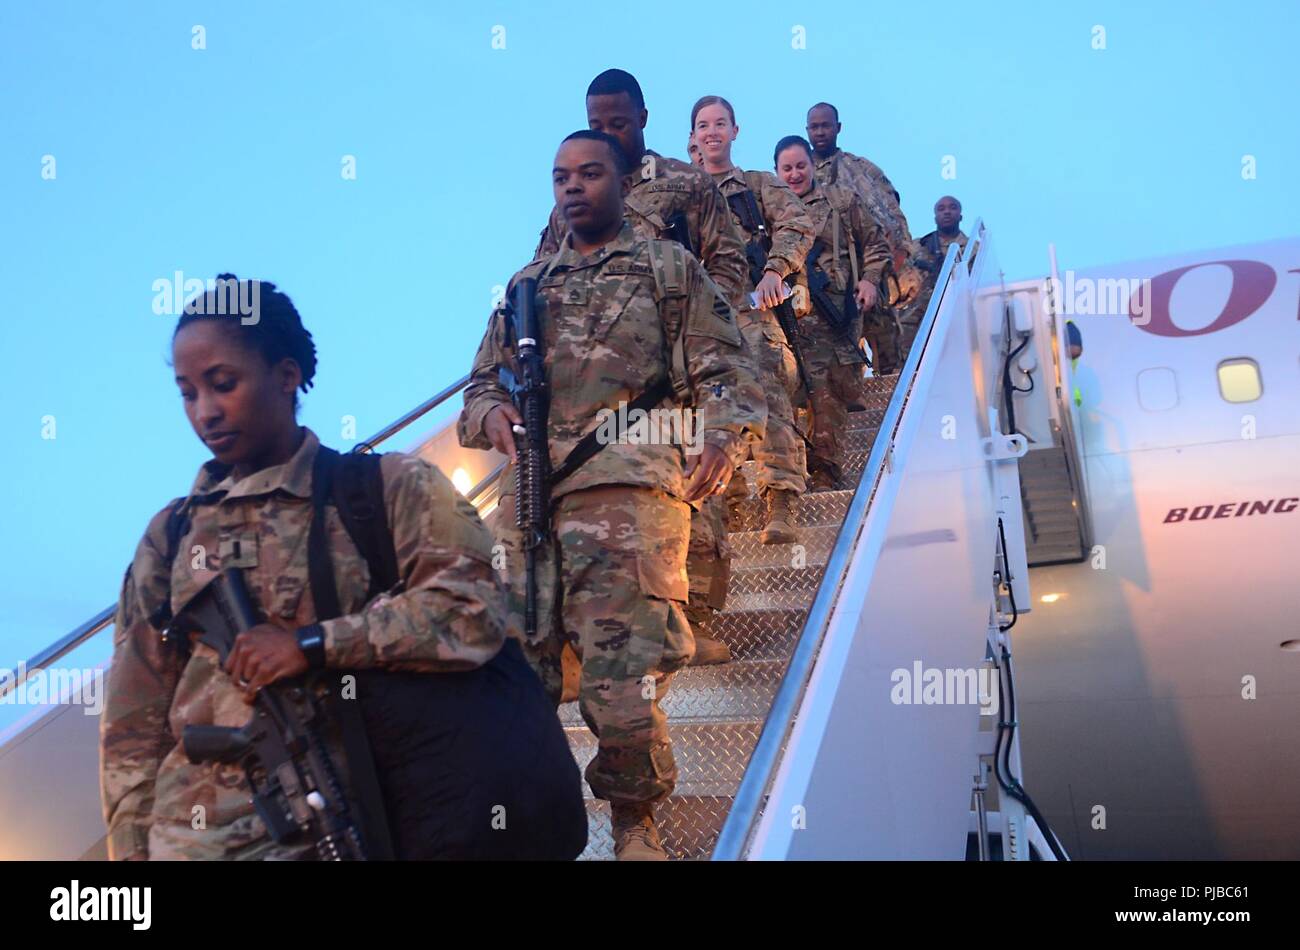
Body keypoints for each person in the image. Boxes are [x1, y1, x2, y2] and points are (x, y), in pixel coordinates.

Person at [101, 276, 586, 861]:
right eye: (187, 392)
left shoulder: (386, 490)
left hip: (352, 822)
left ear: (286, 376)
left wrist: (312, 645)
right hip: (189, 843)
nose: (205, 410)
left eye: (223, 384)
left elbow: (473, 614)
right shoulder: (170, 536)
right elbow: (133, 726)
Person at [459, 131, 763, 859]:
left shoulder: (667, 269)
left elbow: (726, 366)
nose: (571, 188)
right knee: (520, 693)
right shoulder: (526, 287)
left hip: (629, 507)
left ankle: (635, 821)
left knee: (623, 689)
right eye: (560, 176)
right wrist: (491, 414)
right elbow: (477, 389)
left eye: (589, 173)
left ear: (622, 181)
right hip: (530, 510)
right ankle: (540, 830)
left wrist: (722, 436)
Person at [536, 69, 753, 665]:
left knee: (694, 498)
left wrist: (706, 332)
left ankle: (693, 622)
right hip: (594, 386)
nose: (607, 131)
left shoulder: (685, 184)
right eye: (597, 122)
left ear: (644, 119)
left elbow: (728, 261)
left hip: (677, 372)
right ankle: (607, 640)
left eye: (618, 122)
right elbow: (542, 281)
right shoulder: (571, 202)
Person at [693, 95, 814, 544]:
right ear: (694, 135)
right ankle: (722, 507)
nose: (712, 132)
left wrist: (774, 271)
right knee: (702, 412)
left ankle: (780, 501)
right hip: (697, 322)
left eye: (720, 123)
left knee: (768, 393)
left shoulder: (756, 186)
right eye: (704, 125)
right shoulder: (679, 194)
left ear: (735, 131)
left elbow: (799, 222)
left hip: (750, 311)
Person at [774, 135, 891, 489]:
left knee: (828, 399)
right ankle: (791, 478)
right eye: (787, 168)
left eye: (800, 166)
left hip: (833, 318)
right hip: (785, 322)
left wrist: (870, 280)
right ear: (776, 171)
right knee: (787, 401)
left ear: (812, 165)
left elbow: (876, 242)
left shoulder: (840, 202)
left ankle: (825, 476)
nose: (794, 174)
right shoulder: (770, 210)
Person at [805, 101, 918, 374]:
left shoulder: (860, 170)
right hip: (823, 281)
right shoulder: (798, 170)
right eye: (814, 127)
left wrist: (898, 263)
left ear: (838, 128)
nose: (820, 132)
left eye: (826, 125)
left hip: (867, 271)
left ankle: (896, 401)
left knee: (886, 340)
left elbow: (891, 213)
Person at [900, 196, 968, 359]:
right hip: (913, 325)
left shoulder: (972, 249)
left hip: (954, 321)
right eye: (941, 209)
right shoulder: (918, 246)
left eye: (952, 208)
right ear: (935, 217)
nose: (947, 212)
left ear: (960, 215)